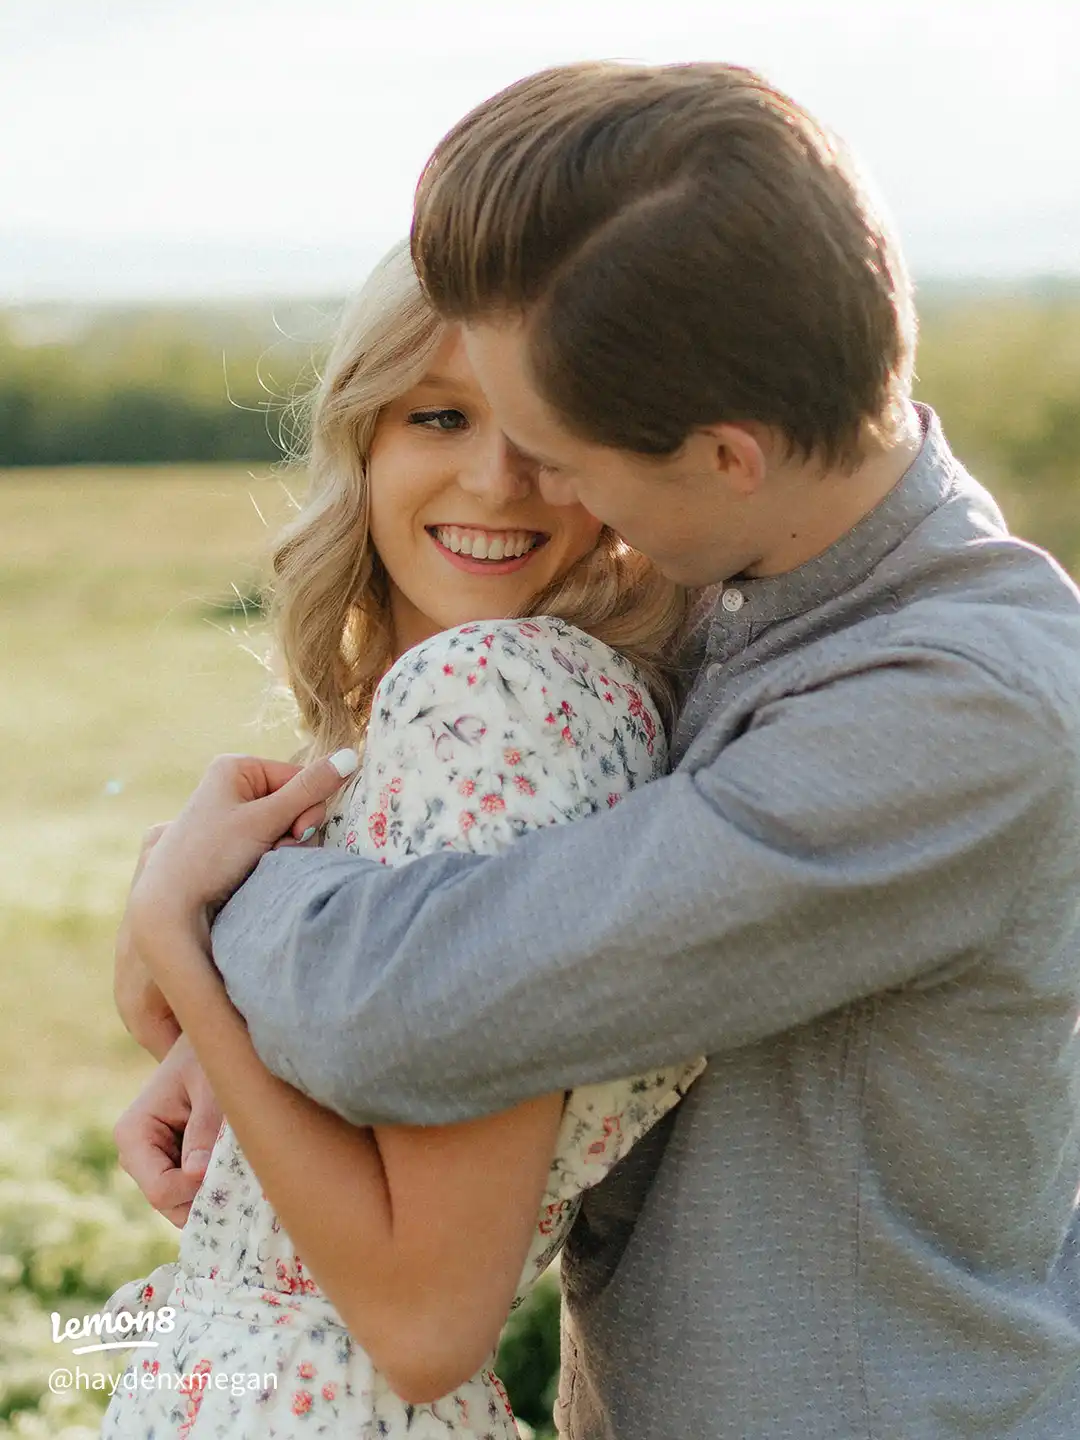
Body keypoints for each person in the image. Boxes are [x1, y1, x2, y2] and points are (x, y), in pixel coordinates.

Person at [115, 63, 1080, 1439]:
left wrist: (191, 902)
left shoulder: (953, 711)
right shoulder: (756, 595)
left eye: (560, 449)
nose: (537, 492)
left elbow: (431, 999)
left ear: (726, 455)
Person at [100, 238, 705, 1438]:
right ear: (366, 433)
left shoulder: (503, 698)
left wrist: (180, 928)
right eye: (439, 416)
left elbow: (427, 1320)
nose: (497, 479)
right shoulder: (473, 716)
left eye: (550, 431)